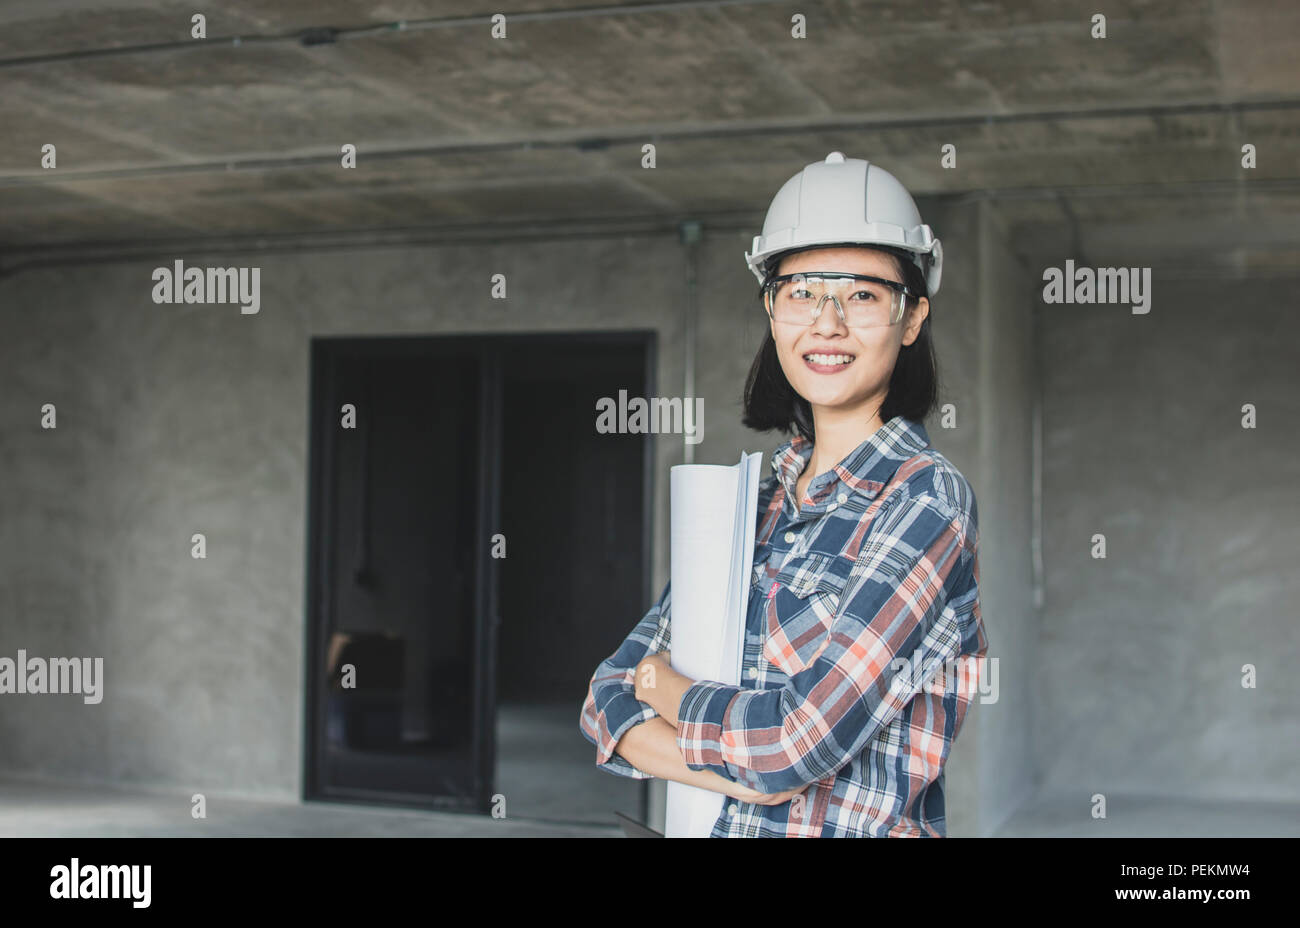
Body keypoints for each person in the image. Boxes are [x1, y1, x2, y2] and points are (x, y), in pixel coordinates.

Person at [579, 152, 988, 837]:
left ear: (912, 316)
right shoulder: (757, 498)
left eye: (861, 293)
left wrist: (667, 691)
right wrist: (749, 763)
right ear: (772, 308)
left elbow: (796, 746)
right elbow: (604, 698)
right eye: (800, 290)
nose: (826, 322)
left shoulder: (926, 501)